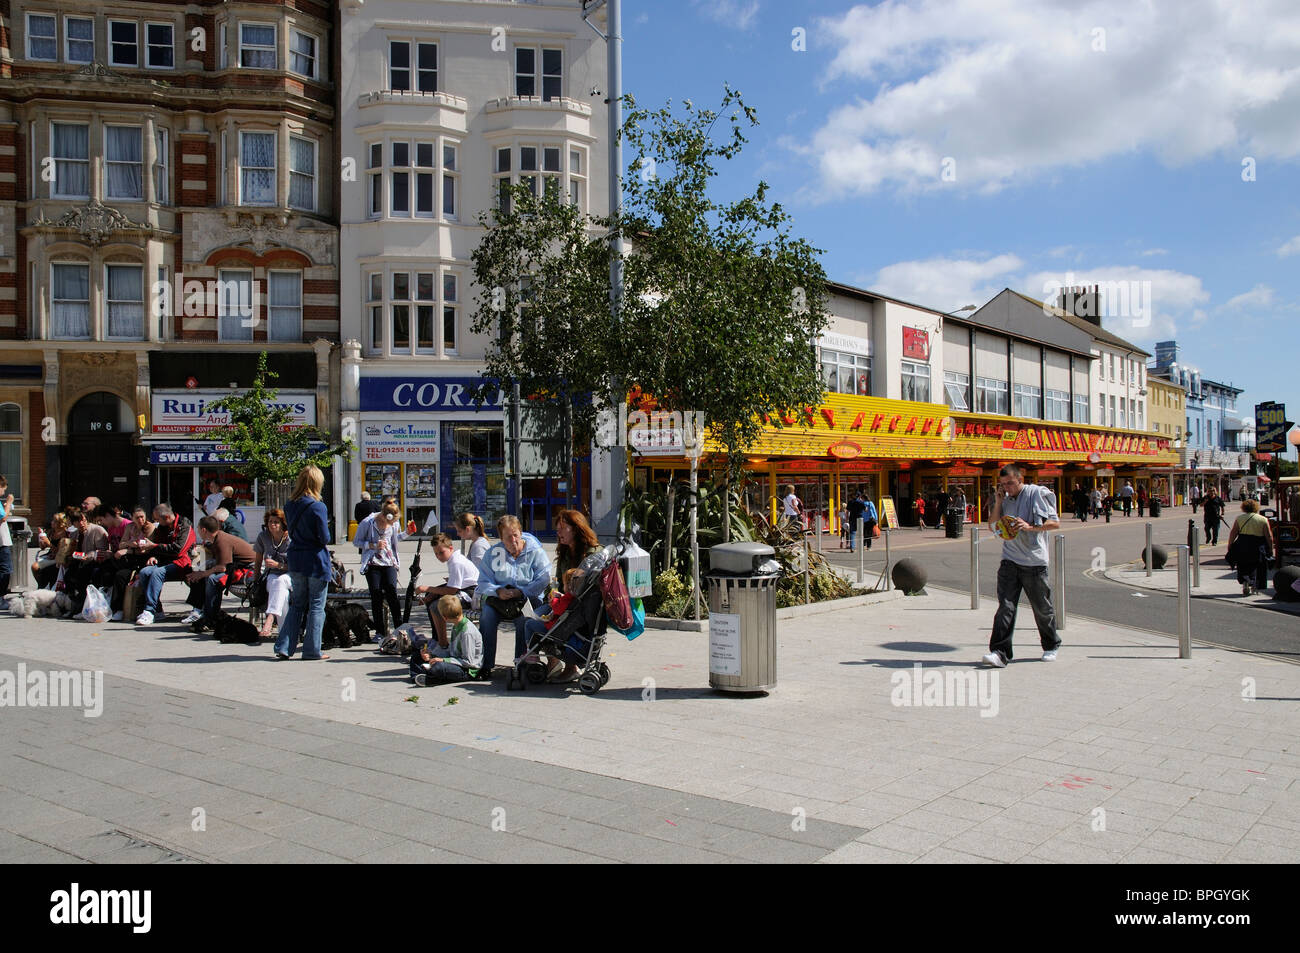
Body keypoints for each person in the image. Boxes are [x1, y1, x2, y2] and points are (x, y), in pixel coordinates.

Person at [982, 465, 1062, 668]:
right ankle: (999, 652)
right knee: (1006, 607)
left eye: (1010, 483)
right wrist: (999, 502)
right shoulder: (1005, 500)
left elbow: (1054, 523)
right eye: (1003, 485)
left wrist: (1030, 527)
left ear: (1020, 479)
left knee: (1042, 607)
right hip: (1010, 560)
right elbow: (992, 526)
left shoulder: (1036, 493)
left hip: (1034, 562)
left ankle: (1051, 644)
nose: (1007, 488)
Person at [476, 514, 551, 674]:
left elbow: (544, 578)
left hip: (527, 599)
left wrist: (522, 591)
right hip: (500, 600)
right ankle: (485, 664)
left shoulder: (534, 552)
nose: (513, 540)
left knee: (524, 621)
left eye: (516, 535)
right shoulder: (493, 553)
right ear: (501, 538)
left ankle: (521, 663)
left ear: (521, 533)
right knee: (487, 617)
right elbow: (482, 581)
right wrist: (497, 590)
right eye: (508, 537)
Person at [274, 465, 333, 661]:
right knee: (316, 605)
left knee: (297, 604)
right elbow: (324, 538)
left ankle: (284, 646)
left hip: (296, 558)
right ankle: (311, 650)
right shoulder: (318, 506)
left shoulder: (290, 505)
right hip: (315, 559)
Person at [183, 516, 256, 627]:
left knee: (213, 579)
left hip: (249, 572)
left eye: (198, 528)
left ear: (203, 530)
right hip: (236, 567)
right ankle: (203, 612)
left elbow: (222, 567)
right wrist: (198, 572)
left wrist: (202, 574)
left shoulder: (222, 541)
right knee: (205, 575)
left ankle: (210, 618)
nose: (197, 531)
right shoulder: (217, 538)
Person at [133, 504, 197, 626]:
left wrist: (154, 547)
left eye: (158, 520)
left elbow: (179, 549)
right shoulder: (162, 528)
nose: (156, 523)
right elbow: (157, 545)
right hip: (165, 562)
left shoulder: (184, 526)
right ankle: (157, 611)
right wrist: (153, 555)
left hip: (182, 563)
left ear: (167, 517)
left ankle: (149, 610)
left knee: (157, 573)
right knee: (145, 572)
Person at [354, 502, 407, 638]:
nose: (391, 525)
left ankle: (399, 628)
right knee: (376, 595)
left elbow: (395, 539)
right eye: (389, 522)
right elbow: (356, 541)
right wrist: (372, 545)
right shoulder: (368, 522)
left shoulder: (394, 523)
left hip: (389, 562)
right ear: (384, 515)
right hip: (373, 562)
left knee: (392, 593)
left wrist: (407, 533)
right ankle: (380, 632)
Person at [416, 532, 479, 644]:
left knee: (436, 606)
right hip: (464, 589)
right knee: (430, 596)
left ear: (450, 548)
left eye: (441, 552)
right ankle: (437, 638)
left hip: (471, 594)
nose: (439, 556)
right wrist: (430, 594)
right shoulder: (453, 559)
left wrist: (427, 588)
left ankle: (442, 643)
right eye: (436, 554)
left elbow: (451, 590)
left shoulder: (456, 562)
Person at [522, 568, 583, 682]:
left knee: (529, 624)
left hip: (555, 629)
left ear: (570, 586)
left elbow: (558, 609)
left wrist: (554, 601)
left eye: (564, 584)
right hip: (561, 626)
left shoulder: (568, 599)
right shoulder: (576, 598)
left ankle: (532, 651)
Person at [410, 595, 484, 686]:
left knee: (438, 667)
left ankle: (432, 678)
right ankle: (419, 676)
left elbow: (469, 662)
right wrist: (431, 655)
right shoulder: (456, 626)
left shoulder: (467, 633)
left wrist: (443, 660)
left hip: (467, 670)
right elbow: (451, 651)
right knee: (417, 656)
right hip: (455, 661)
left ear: (444, 618)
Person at [107, 507, 156, 616]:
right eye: (137, 517)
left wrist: (128, 550)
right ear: (132, 518)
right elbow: (121, 544)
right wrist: (130, 543)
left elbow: (144, 550)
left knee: (121, 575)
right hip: (132, 558)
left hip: (144, 560)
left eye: (142, 517)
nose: (140, 520)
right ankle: (111, 607)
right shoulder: (130, 527)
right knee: (110, 570)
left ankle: (119, 609)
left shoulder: (150, 527)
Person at [253, 508, 292, 639]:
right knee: (283, 595)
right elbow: (258, 561)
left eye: (276, 522)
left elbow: (297, 566)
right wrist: (255, 579)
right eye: (270, 521)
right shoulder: (263, 536)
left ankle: (270, 619)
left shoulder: (290, 538)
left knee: (280, 583)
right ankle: (285, 634)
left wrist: (279, 565)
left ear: (283, 524)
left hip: (291, 574)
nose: (272, 525)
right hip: (272, 575)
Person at [1227, 498, 1274, 596]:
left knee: (1242, 564)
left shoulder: (1239, 518)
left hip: (1242, 544)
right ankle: (1254, 583)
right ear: (1256, 507)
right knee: (1256, 565)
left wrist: (1230, 545)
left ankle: (1245, 581)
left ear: (1244, 507)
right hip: (1257, 545)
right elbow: (1269, 536)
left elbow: (1233, 533)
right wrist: (1270, 548)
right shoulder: (1263, 519)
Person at [555, 508, 601, 581]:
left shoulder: (593, 553)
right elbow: (558, 582)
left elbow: (594, 585)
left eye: (563, 528)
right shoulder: (565, 553)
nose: (559, 532)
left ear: (576, 529)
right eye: (557, 529)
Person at [0, 476, 12, 598]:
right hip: (1, 541)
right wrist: (9, 503)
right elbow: (2, 517)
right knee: (5, 569)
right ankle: (1, 597)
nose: (4, 492)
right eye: (3, 488)